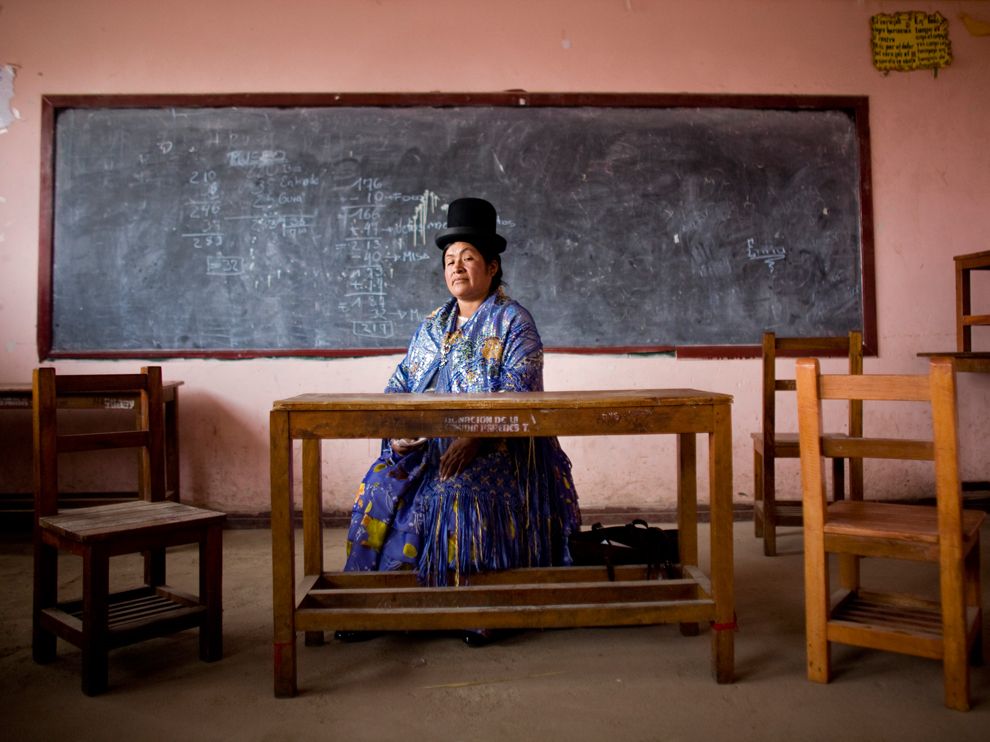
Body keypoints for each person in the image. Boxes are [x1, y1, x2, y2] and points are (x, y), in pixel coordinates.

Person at [342, 197, 581, 604]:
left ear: (492, 267)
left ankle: (472, 608)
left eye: (468, 257)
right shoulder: (433, 326)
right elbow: (399, 386)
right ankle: (373, 600)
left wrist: (475, 438)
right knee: (380, 482)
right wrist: (399, 437)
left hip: (499, 448)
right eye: (450, 259)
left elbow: (520, 393)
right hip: (428, 446)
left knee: (457, 493)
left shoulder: (513, 321)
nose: (456, 266)